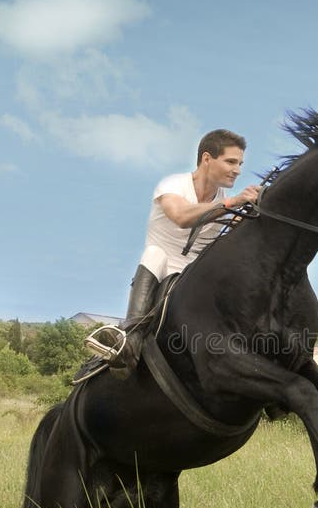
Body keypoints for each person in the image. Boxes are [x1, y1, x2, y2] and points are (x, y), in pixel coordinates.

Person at [87, 128, 260, 378]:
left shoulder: (226, 202)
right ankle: (130, 339)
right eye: (231, 162)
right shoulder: (172, 186)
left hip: (197, 274)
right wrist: (231, 204)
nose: (238, 170)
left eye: (240, 163)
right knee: (154, 254)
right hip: (162, 268)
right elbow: (181, 217)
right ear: (207, 158)